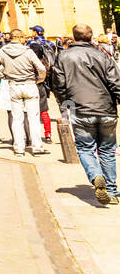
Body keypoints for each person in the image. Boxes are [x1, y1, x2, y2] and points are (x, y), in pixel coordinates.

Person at [48, 24, 120, 205]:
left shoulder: (63, 56)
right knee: (107, 150)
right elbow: (115, 82)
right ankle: (111, 190)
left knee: (85, 148)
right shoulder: (102, 55)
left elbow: (58, 85)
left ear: (74, 37)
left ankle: (96, 176)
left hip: (80, 109)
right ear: (91, 36)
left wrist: (66, 107)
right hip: (106, 109)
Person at [0, 29, 47, 156]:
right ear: (20, 37)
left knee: (17, 118)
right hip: (30, 84)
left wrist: (3, 76)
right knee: (33, 117)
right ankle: (37, 147)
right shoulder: (28, 51)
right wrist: (39, 79)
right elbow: (41, 68)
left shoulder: (2, 51)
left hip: (14, 85)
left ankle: (19, 148)